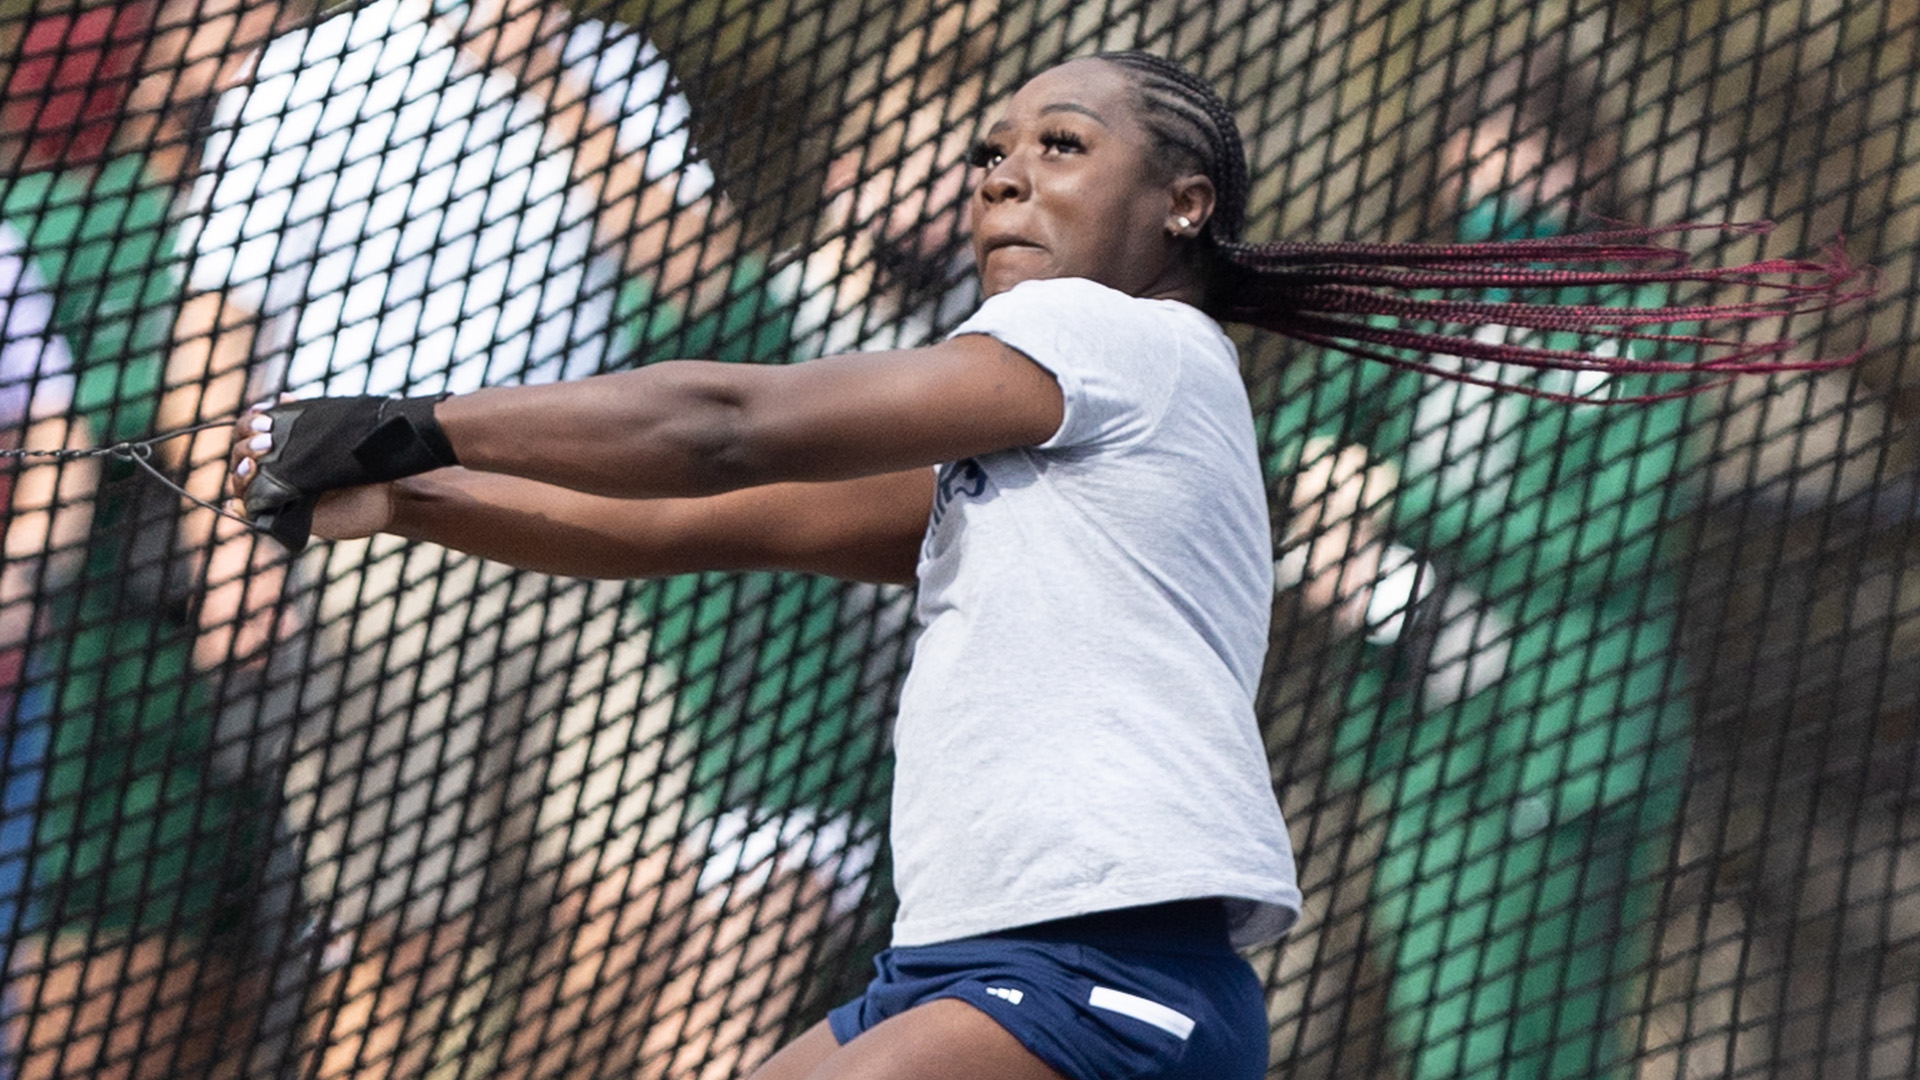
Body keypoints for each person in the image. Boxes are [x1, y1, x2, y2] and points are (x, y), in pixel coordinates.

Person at [225, 50, 1855, 1080]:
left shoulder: (1110, 341)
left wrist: (408, 416)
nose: (1004, 173)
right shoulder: (1026, 457)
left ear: (1182, 204)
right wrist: (402, 499)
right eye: (993, 152)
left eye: (1061, 144)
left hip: (1092, 983)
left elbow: (727, 425)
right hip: (962, 973)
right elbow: (675, 529)